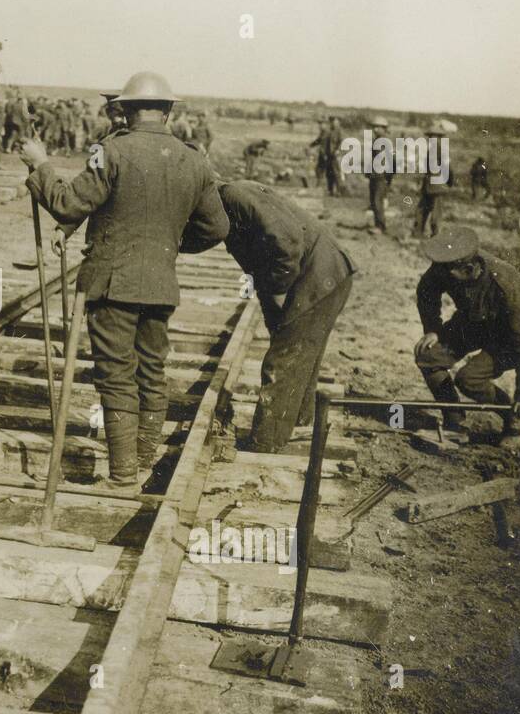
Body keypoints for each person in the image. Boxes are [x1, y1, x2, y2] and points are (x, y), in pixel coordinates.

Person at [20, 70, 229, 486]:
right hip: (160, 284)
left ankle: (122, 474)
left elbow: (67, 203)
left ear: (125, 110)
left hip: (113, 284)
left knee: (115, 374)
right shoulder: (194, 159)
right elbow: (217, 227)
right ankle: (143, 460)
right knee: (151, 370)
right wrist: (167, 246)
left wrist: (41, 165)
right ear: (168, 111)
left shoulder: (109, 152)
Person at [195, 180, 355, 453]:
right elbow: (258, 259)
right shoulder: (227, 205)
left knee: (284, 359)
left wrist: (279, 290)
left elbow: (288, 242)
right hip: (323, 272)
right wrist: (272, 305)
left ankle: (266, 441)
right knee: (300, 354)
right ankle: (299, 423)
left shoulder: (235, 196)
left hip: (318, 275)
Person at [413, 227, 520, 448]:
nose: (442, 273)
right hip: (472, 323)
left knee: (469, 379)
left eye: (449, 271)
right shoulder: (447, 267)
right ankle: (454, 424)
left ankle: (515, 420)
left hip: (507, 337)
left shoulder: (506, 283)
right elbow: (426, 290)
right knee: (429, 357)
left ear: (470, 268)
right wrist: (432, 328)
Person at [366, 116, 393, 232]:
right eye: (374, 127)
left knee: (378, 201)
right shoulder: (376, 140)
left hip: (381, 176)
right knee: (373, 201)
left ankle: (380, 226)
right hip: (374, 175)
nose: (375, 129)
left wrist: (388, 177)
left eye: (378, 127)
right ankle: (378, 224)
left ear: (384, 128)